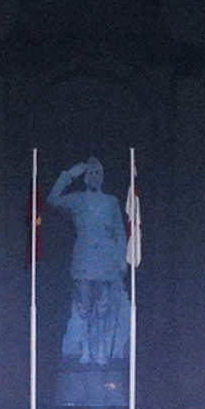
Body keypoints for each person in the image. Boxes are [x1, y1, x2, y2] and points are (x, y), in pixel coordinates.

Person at [47, 158, 130, 370]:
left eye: (97, 173)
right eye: (90, 173)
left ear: (102, 177)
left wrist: (121, 259)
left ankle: (100, 349)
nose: (94, 177)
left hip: (105, 262)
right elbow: (53, 199)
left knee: (102, 309)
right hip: (83, 260)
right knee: (84, 309)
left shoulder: (111, 202)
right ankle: (85, 349)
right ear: (85, 178)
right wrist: (69, 175)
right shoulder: (77, 200)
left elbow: (120, 233)